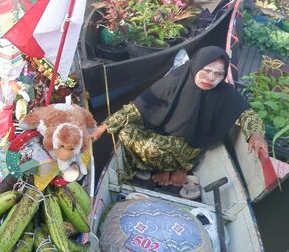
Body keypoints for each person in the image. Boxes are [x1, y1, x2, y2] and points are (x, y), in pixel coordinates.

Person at [93, 47, 268, 186]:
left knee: (156, 148)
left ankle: (179, 168)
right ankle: (165, 168)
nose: (211, 78)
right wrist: (103, 127)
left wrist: (255, 134)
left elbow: (247, 114)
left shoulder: (225, 93)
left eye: (218, 74)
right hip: (162, 135)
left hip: (189, 145)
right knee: (126, 132)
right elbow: (135, 109)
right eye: (206, 70)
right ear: (196, 65)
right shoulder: (174, 80)